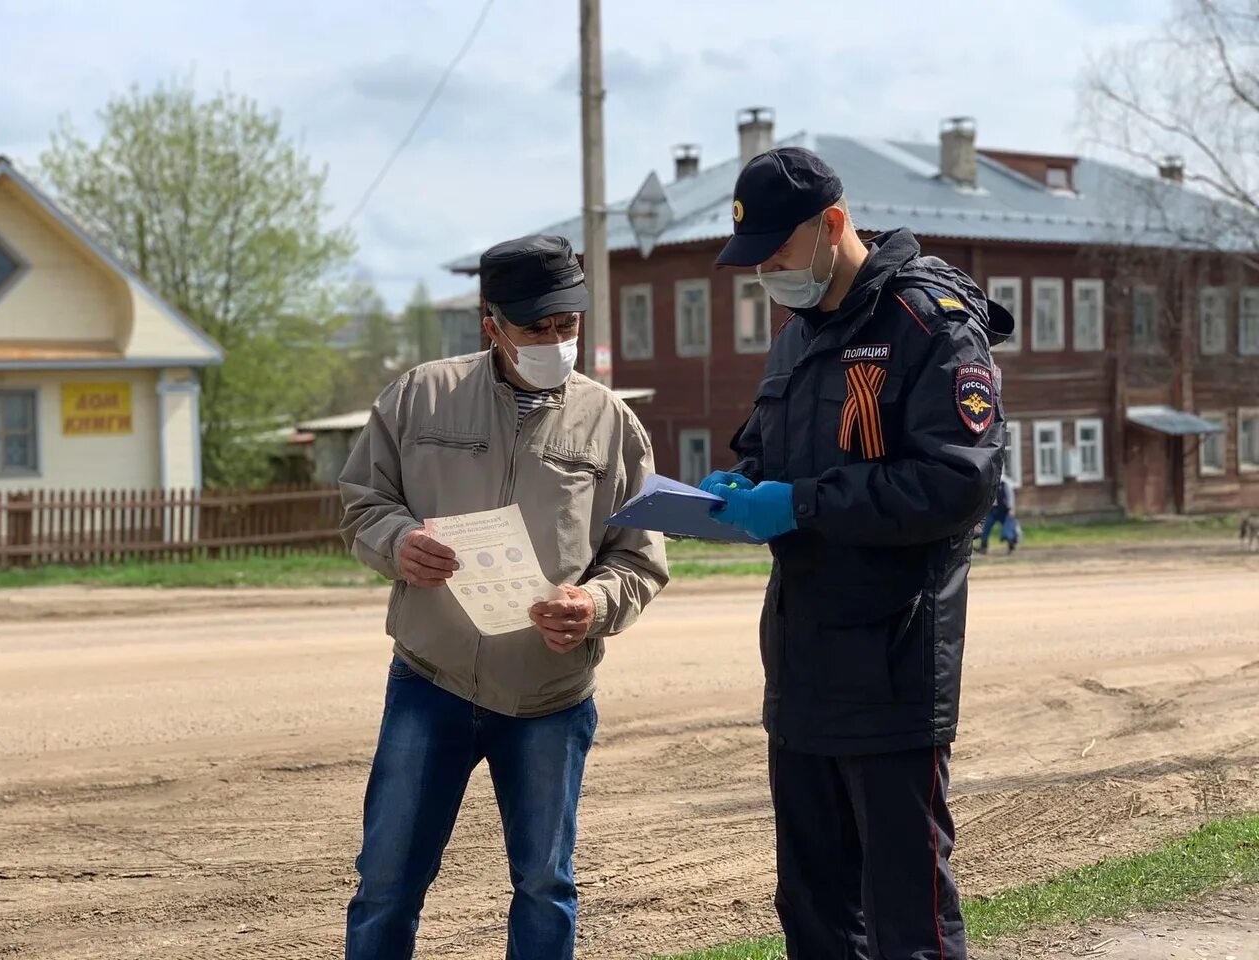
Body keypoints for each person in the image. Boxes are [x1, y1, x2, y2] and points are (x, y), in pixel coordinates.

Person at [700, 146, 1014, 960]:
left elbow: (956, 485)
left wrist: (800, 503)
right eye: (755, 260)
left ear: (833, 225)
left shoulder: (927, 321)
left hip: (893, 660)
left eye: (776, 253)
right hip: (802, 661)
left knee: (908, 912)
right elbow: (776, 456)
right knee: (813, 906)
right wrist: (740, 489)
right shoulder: (795, 338)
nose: (766, 272)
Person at [338, 234, 668, 960]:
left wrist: (596, 605)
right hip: (432, 684)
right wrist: (398, 543)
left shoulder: (612, 423)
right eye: (535, 328)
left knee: (545, 887)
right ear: (492, 323)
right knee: (387, 883)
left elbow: (640, 557)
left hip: (549, 697)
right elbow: (364, 503)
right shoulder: (420, 396)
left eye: (568, 325)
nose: (556, 341)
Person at [977, 473, 1018, 553]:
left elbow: (1010, 496)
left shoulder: (1005, 484)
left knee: (1008, 527)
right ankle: (983, 546)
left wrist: (1011, 508)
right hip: (993, 510)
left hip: (1004, 510)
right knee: (986, 526)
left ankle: (1011, 544)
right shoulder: (990, 482)